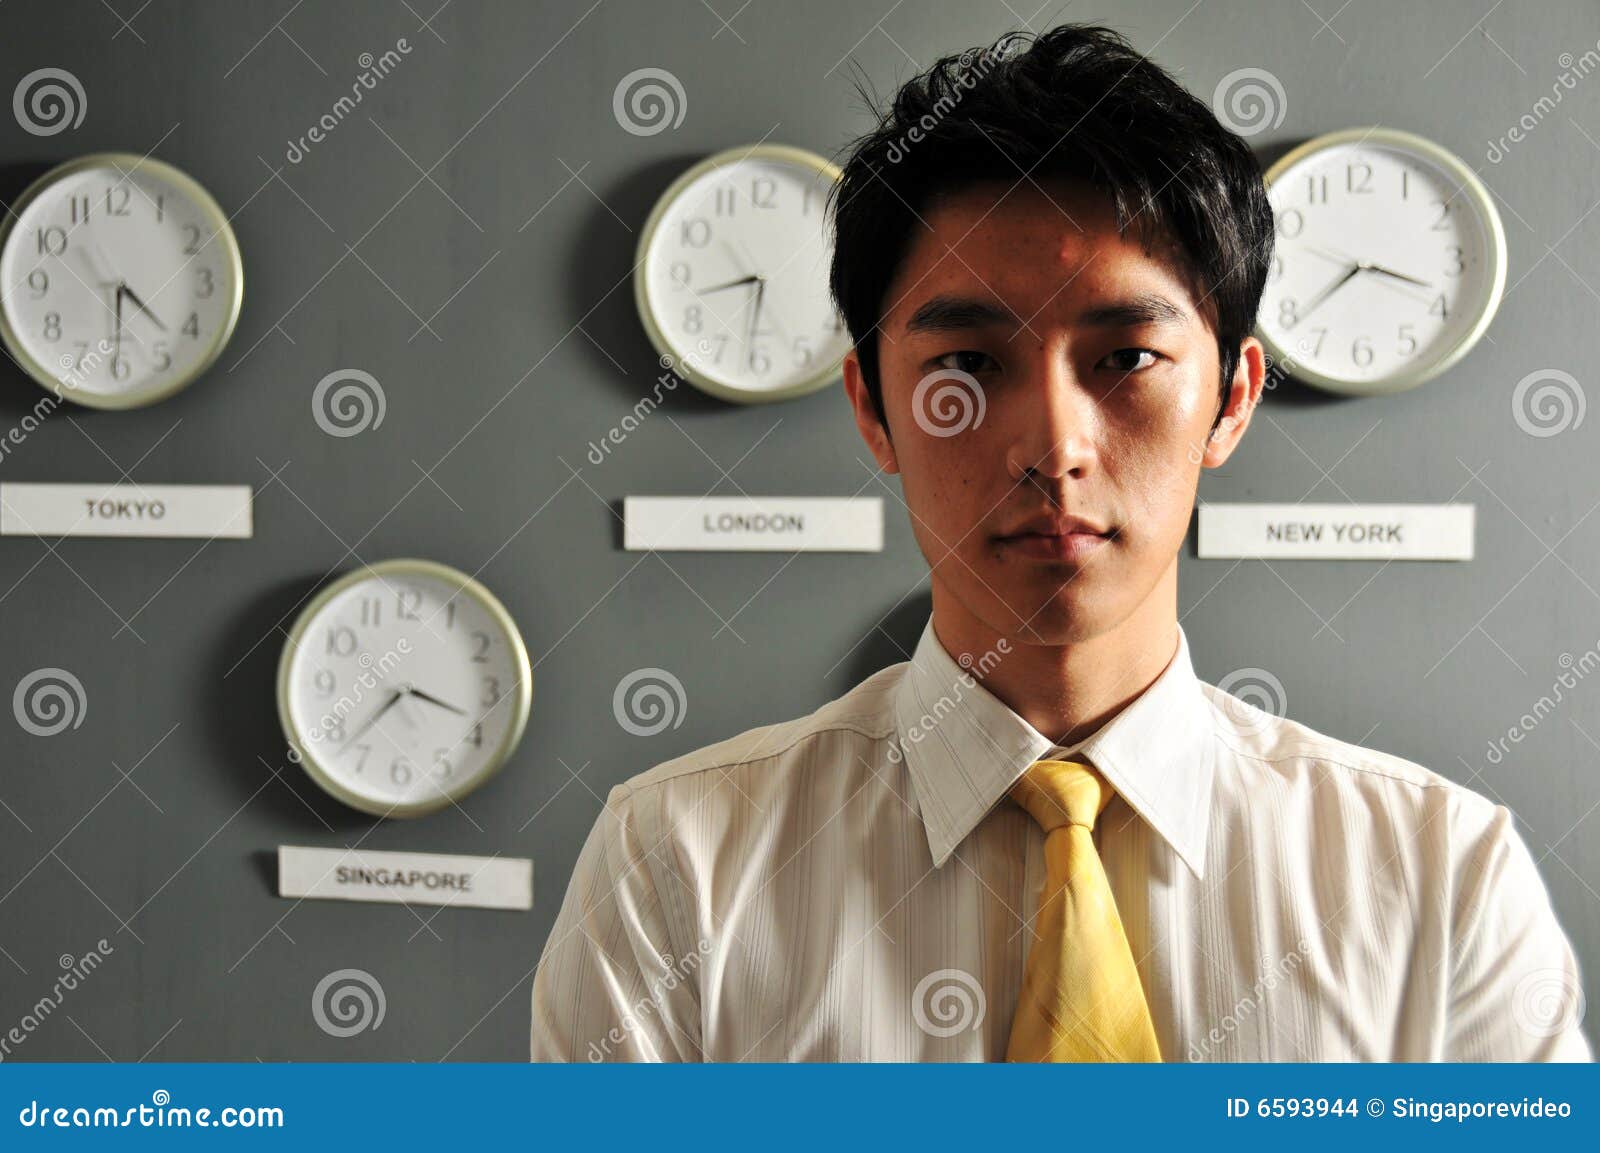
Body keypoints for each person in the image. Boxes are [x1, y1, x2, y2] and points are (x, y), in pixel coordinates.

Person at [530, 22, 1591, 1061]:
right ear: (871, 408)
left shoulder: (1440, 876)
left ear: (1230, 399)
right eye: (968, 367)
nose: (1051, 445)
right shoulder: (676, 865)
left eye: (1125, 357)